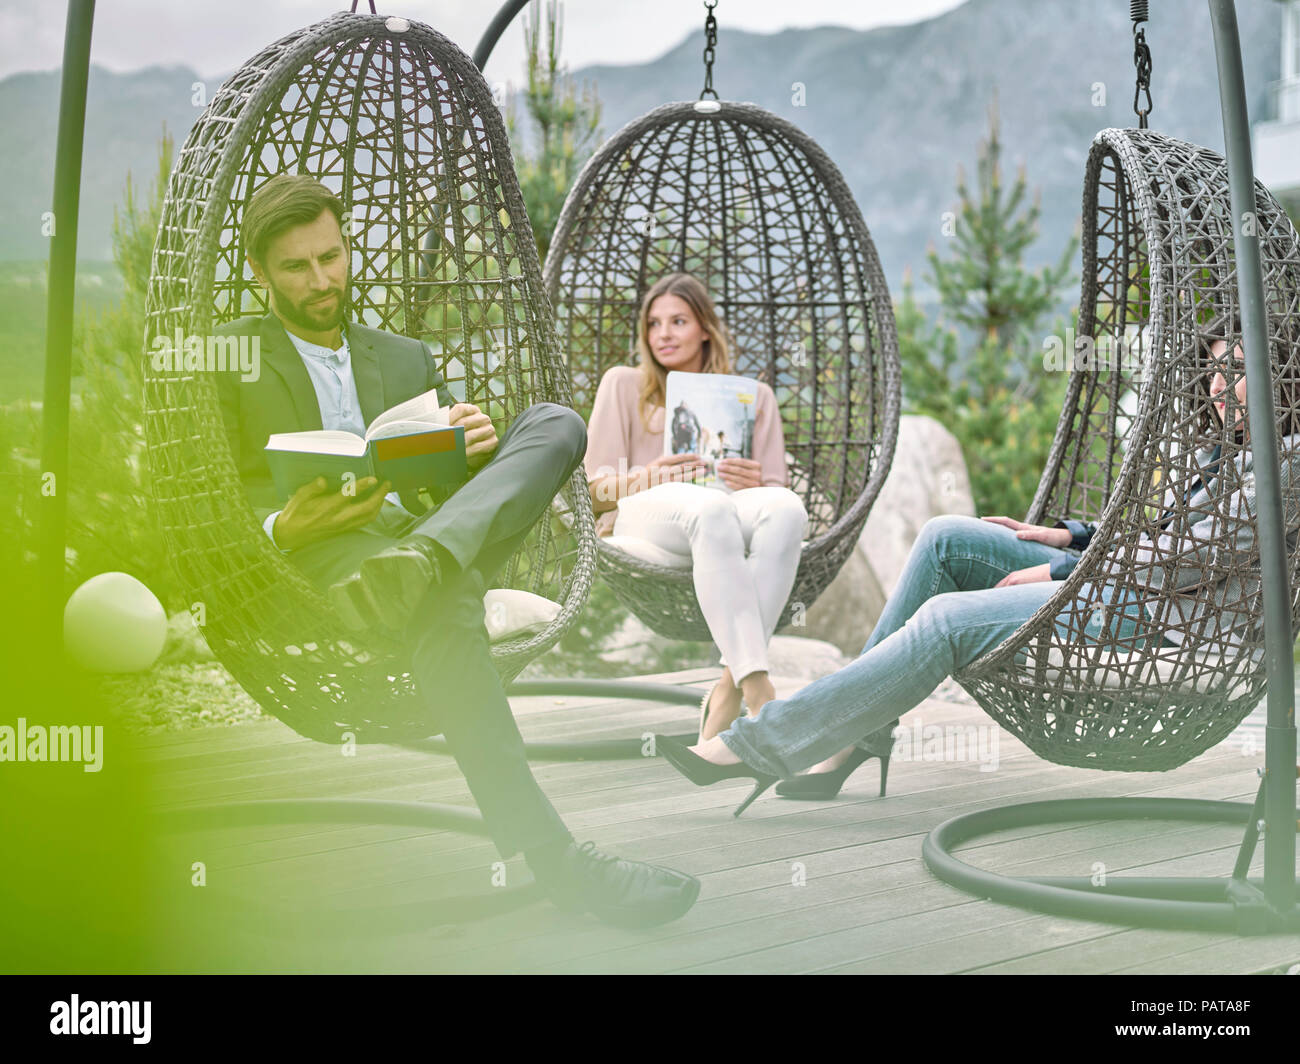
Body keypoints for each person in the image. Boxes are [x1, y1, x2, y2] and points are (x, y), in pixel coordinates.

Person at [214, 174, 699, 927]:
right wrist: (286, 528)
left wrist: (469, 450)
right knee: (442, 604)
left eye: (332, 257)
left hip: (423, 536)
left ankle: (427, 562)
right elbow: (201, 498)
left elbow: (446, 487)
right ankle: (559, 861)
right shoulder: (230, 357)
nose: (321, 280)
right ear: (259, 272)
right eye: (296, 267)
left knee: (555, 424)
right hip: (331, 560)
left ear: (347, 247)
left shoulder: (403, 358)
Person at [655, 312, 1300, 815]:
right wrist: (1070, 535)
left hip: (1166, 623)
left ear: (1279, 376)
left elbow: (1186, 561)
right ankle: (857, 734)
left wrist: (1062, 573)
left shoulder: (1285, 462)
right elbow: (1159, 536)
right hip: (1124, 586)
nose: (1220, 386)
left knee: (946, 620)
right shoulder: (1224, 452)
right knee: (946, 538)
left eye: (1238, 370)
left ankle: (761, 743)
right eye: (1214, 371)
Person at [584, 273, 809, 740]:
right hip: (646, 515)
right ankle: (759, 693)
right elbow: (592, 493)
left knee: (787, 509)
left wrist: (754, 482)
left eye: (678, 321)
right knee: (709, 509)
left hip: (724, 515)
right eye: (654, 324)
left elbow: (776, 490)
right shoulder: (624, 385)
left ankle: (728, 687)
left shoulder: (754, 398)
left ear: (705, 329)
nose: (663, 334)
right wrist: (648, 476)